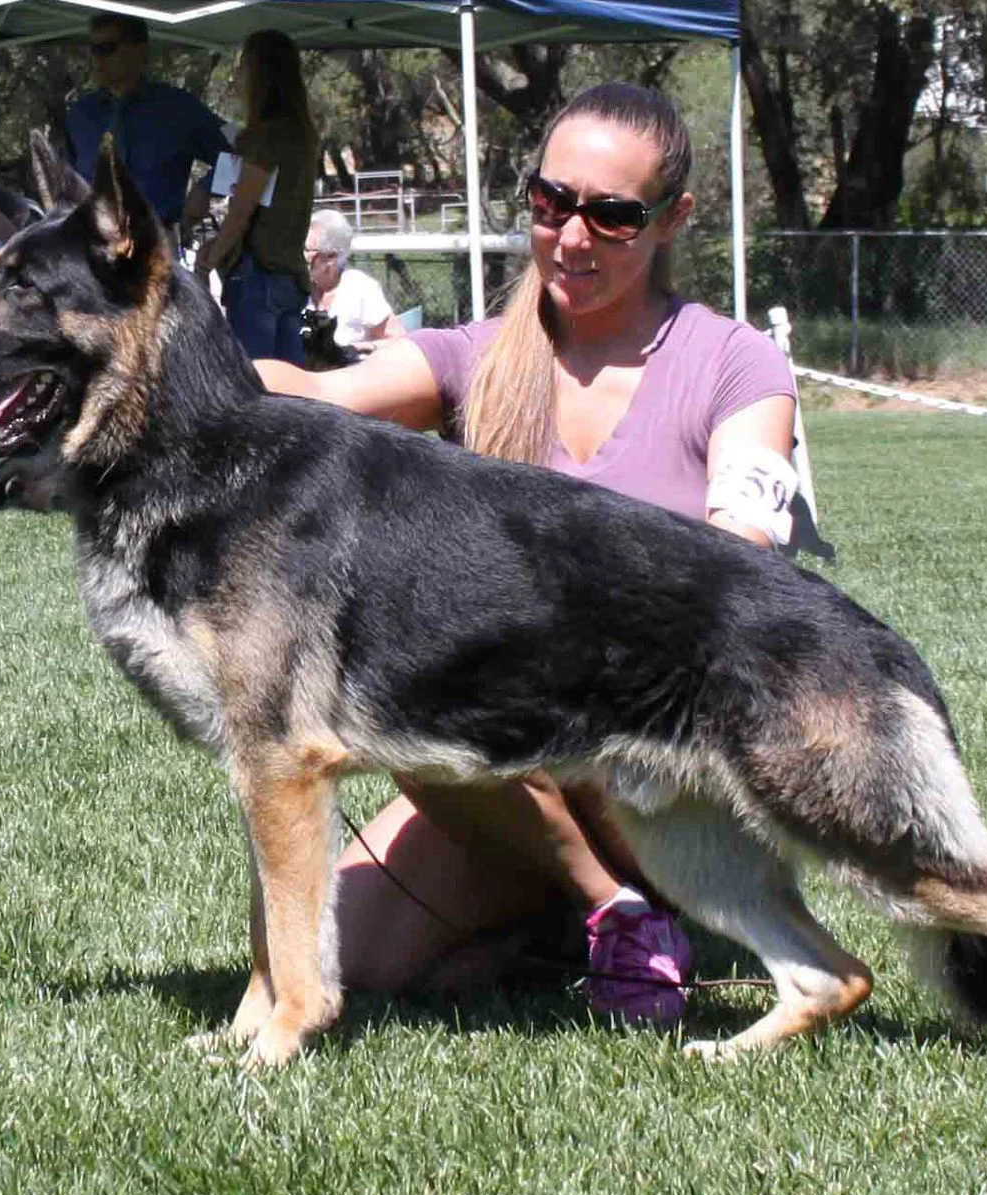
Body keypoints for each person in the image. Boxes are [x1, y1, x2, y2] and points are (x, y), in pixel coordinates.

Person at [257, 81, 798, 1025]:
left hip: (661, 757)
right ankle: (600, 914)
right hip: (507, 762)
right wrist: (179, 359)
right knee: (363, 958)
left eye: (612, 215)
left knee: (422, 695)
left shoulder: (735, 363)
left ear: (673, 220)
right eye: (551, 203)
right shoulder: (475, 356)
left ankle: (615, 907)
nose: (572, 238)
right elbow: (309, 394)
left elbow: (740, 564)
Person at [195, 30, 318, 364]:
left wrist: (211, 256)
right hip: (290, 275)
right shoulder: (302, 134)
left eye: (243, 67)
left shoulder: (265, 137)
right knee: (290, 383)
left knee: (254, 381)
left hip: (258, 277)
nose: (237, 77)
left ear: (260, 74)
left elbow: (242, 210)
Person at [61, 14, 225, 239]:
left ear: (139, 50)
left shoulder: (179, 109)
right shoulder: (80, 116)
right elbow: (65, 184)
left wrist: (206, 189)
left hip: (157, 243)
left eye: (106, 49)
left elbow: (246, 155)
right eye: (93, 50)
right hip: (93, 245)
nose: (96, 59)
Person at [304, 209, 400, 352]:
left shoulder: (360, 288)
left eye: (308, 250)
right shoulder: (296, 288)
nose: (302, 255)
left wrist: (356, 349)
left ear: (332, 256)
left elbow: (398, 340)